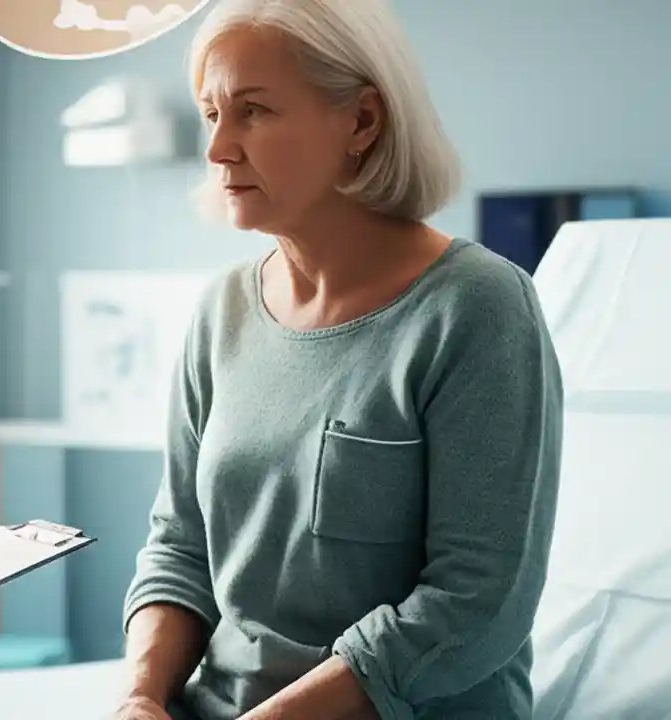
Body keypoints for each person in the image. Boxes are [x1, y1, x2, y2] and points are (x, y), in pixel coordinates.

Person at [112, 1, 563, 719]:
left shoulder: (476, 306)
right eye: (211, 114)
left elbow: (477, 599)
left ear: (361, 122)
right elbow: (180, 549)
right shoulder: (222, 310)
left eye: (253, 111)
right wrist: (140, 696)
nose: (218, 148)